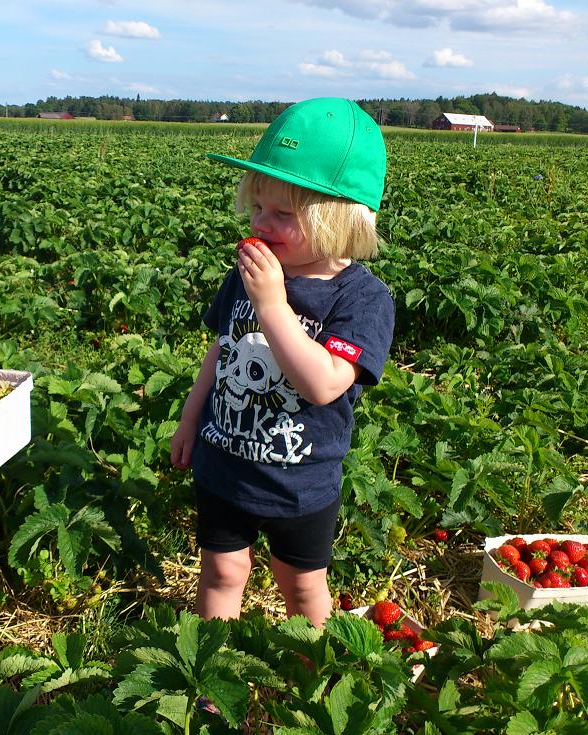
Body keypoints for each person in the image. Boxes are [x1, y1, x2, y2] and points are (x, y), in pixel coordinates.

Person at [170, 97, 394, 628]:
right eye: (257, 209)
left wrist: (272, 305)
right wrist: (189, 417)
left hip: (301, 480)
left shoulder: (360, 299)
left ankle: (308, 676)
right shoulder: (245, 278)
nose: (262, 224)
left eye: (283, 214)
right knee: (222, 573)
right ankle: (209, 673)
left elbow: (322, 385)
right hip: (224, 463)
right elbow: (221, 350)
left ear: (338, 220)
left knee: (302, 586)